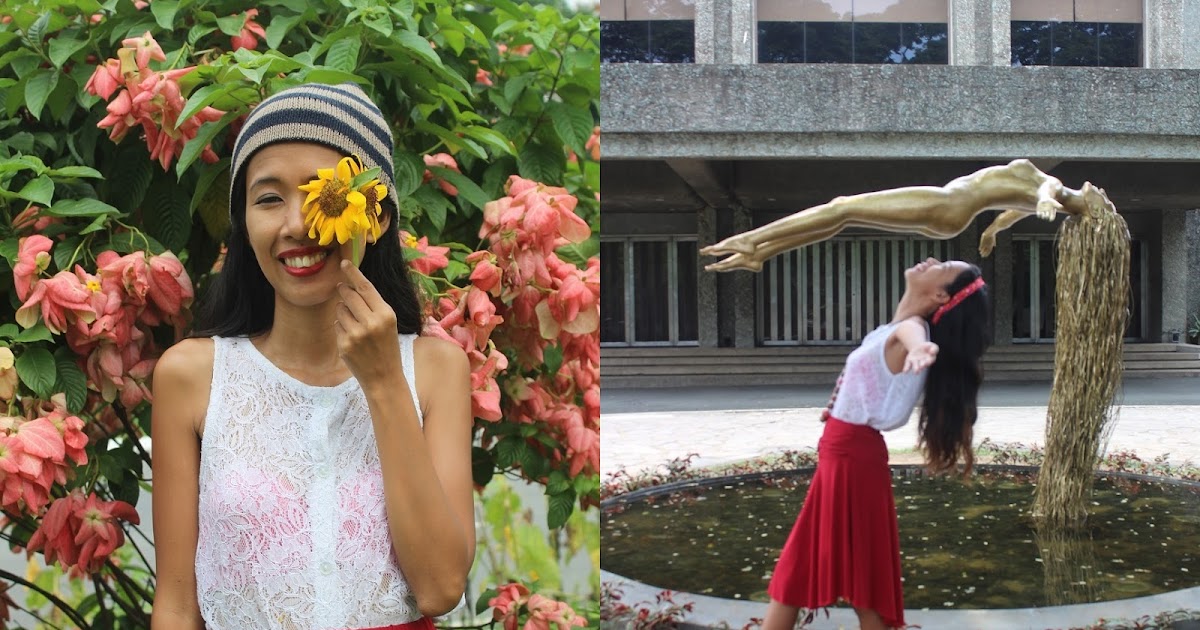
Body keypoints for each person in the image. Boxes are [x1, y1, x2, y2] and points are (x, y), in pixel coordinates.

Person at [150, 83, 475, 630]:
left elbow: (441, 587)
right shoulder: (192, 376)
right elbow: (178, 606)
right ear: (243, 221)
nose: (297, 225)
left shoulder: (436, 370)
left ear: (376, 216)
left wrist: (383, 382)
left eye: (325, 195)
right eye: (268, 198)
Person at [763, 258, 991, 630]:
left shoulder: (913, 330)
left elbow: (910, 336)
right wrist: (839, 406)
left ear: (939, 295)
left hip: (851, 457)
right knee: (816, 570)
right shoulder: (895, 328)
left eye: (945, 265)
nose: (932, 261)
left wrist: (919, 348)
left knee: (837, 576)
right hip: (846, 452)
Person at [699, 159, 1102, 273]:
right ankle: (761, 254)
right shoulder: (1037, 192)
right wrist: (992, 231)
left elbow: (1049, 188)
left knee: (842, 206)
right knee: (844, 216)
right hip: (952, 215)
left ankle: (753, 240)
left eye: (1097, 197)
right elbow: (1012, 213)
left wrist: (1046, 199)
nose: (1095, 189)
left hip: (948, 205)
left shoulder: (1055, 189)